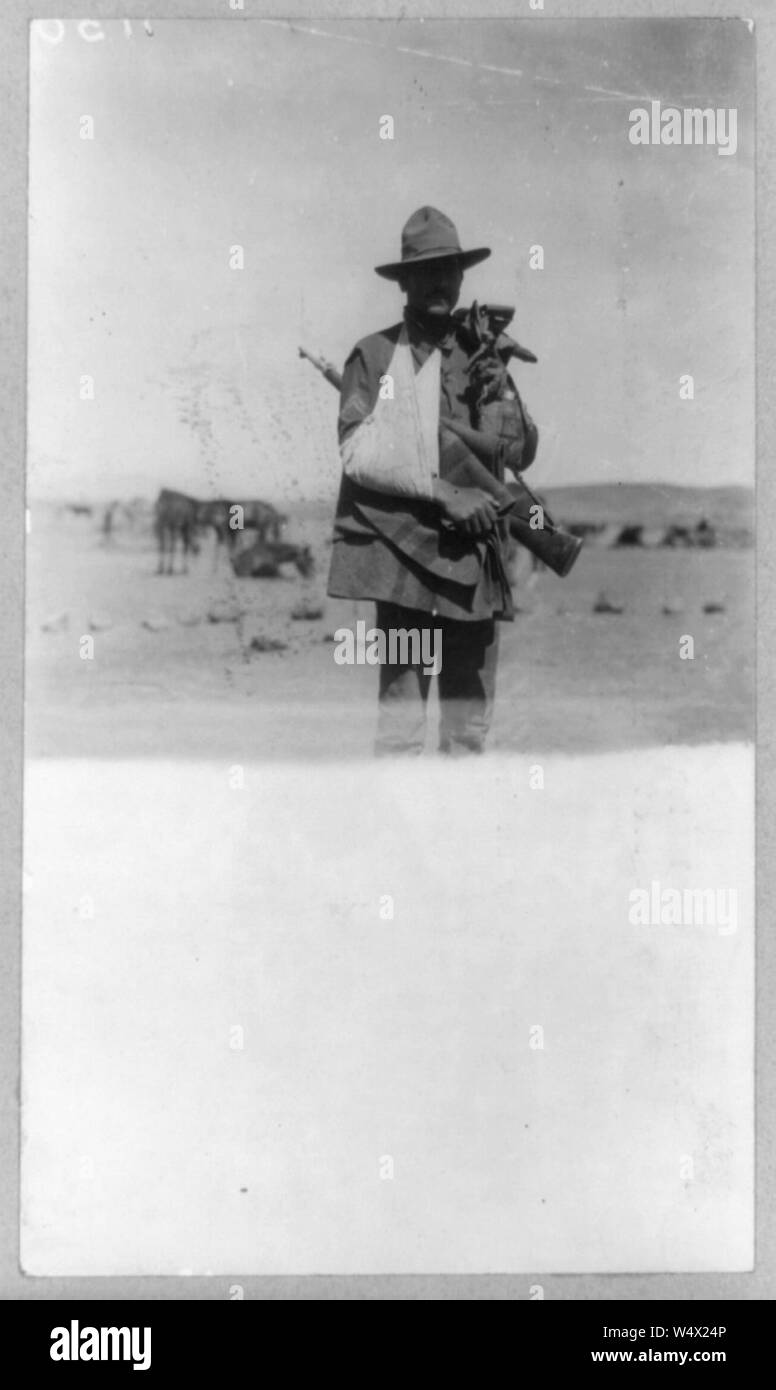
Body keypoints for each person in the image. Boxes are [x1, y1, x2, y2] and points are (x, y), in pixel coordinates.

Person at [327, 205, 538, 756]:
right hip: (401, 557)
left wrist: (505, 393)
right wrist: (445, 493)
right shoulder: (373, 356)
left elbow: (520, 453)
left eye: (449, 270)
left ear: (463, 276)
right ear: (405, 282)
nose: (440, 281)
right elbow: (357, 451)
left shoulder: (485, 355)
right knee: (400, 726)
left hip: (472, 559)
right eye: (426, 271)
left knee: (467, 730)